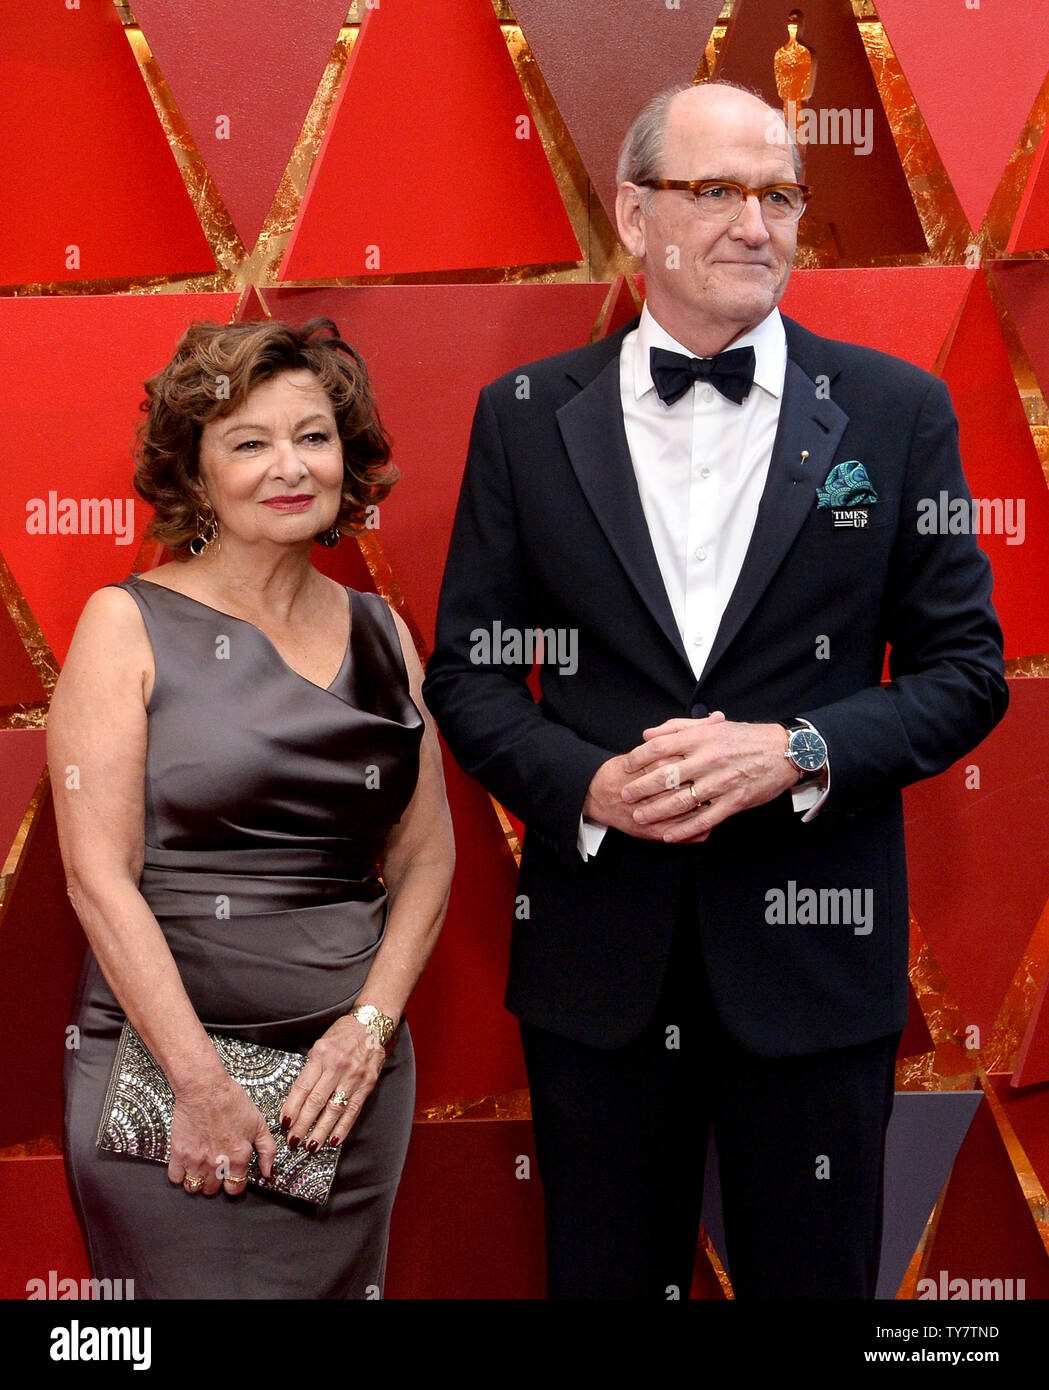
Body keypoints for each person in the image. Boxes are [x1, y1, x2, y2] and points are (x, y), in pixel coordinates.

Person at [422, 83, 1008, 1299]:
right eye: (718, 191)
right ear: (634, 216)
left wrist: (794, 748)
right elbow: (469, 683)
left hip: (813, 971)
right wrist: (587, 782)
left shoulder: (898, 414)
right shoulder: (523, 422)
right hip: (597, 977)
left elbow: (964, 674)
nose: (758, 222)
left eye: (780, 193)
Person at [50, 317, 454, 1299]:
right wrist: (199, 1085)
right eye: (249, 441)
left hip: (345, 1097)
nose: (290, 467)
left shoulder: (380, 633)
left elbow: (426, 860)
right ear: (195, 470)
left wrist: (369, 1026)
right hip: (169, 1093)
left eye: (312, 436)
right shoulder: (125, 625)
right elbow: (96, 880)